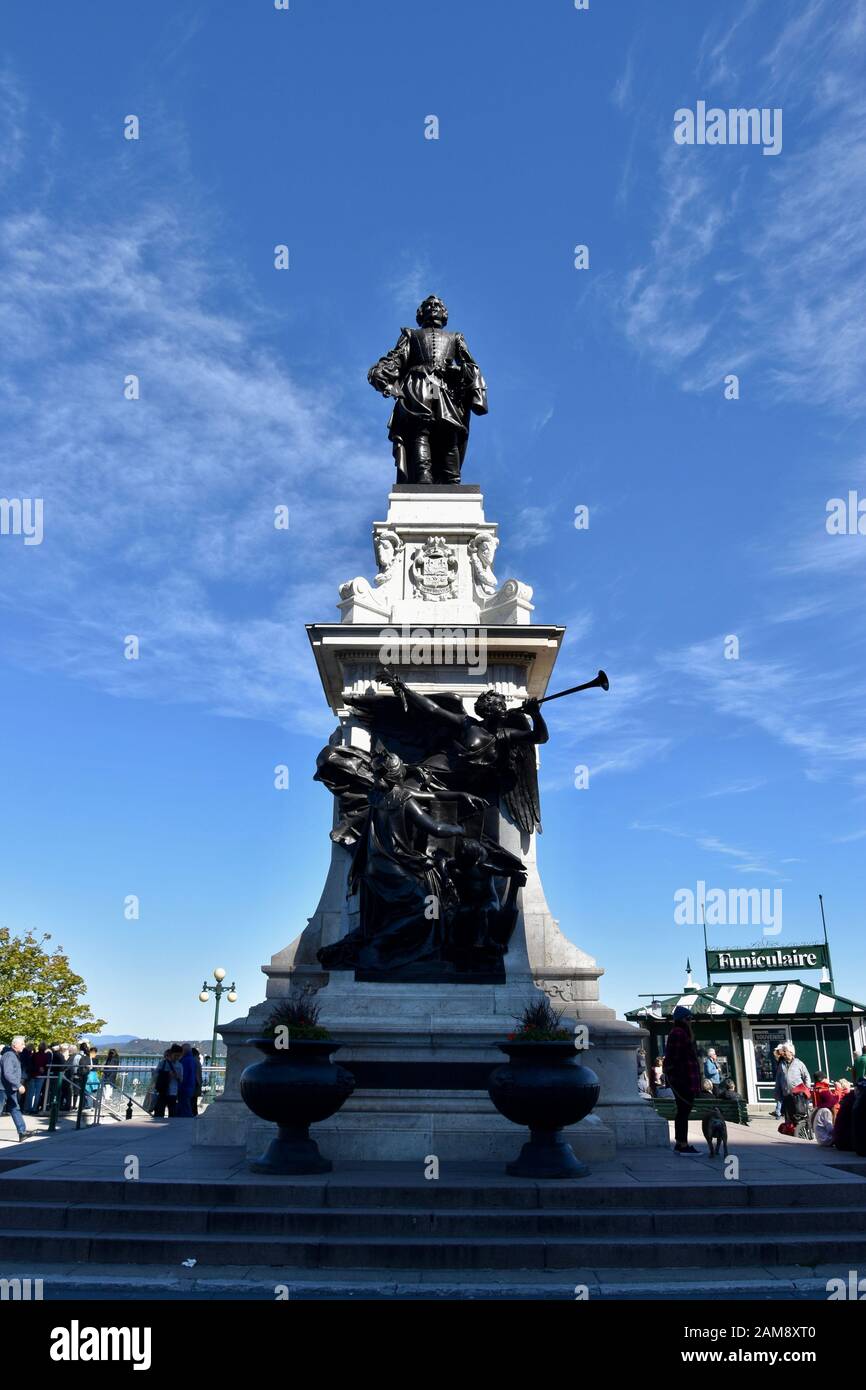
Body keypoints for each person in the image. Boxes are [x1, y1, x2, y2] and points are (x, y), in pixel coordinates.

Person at [663, 1006, 701, 1154]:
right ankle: (682, 1144)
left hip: (683, 1077)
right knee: (684, 1111)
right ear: (683, 1019)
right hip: (683, 1078)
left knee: (683, 1110)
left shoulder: (680, 1032)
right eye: (689, 1018)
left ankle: (681, 1142)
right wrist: (678, 1077)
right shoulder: (679, 1033)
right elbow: (677, 1057)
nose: (691, 1021)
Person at [1, 1036, 33, 1142]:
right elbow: (8, 1073)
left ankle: (22, 1132)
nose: (24, 1046)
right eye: (22, 1044)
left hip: (9, 1088)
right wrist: (18, 1085)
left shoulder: (13, 1055)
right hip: (3, 1088)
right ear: (15, 1045)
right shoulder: (9, 1055)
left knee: (15, 1109)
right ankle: (22, 1131)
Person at [774, 1043, 812, 1127]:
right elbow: (778, 1079)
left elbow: (807, 1076)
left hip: (798, 1096)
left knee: (799, 1116)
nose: (783, 1052)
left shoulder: (799, 1063)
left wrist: (807, 1089)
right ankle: (790, 1134)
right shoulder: (781, 1065)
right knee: (788, 1119)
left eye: (785, 1050)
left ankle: (801, 1132)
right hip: (786, 1095)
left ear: (791, 1052)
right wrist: (777, 1093)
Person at [152, 1046, 183, 1118]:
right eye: (175, 1055)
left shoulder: (180, 1065)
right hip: (162, 1091)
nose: (177, 1058)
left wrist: (176, 1076)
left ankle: (171, 1127)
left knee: (172, 1113)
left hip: (173, 1092)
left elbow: (181, 1080)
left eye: (179, 1056)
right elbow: (155, 1075)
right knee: (159, 1113)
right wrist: (167, 1074)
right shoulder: (163, 1063)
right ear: (171, 1054)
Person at [25, 1042, 52, 1114]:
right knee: (37, 1093)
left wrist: (37, 1068)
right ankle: (34, 1108)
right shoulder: (47, 1056)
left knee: (30, 1093)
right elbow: (48, 1065)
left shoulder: (34, 1055)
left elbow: (30, 1065)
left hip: (33, 1075)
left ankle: (28, 1108)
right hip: (41, 1075)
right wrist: (42, 1069)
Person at [178, 1044, 197, 1118]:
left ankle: (188, 1120)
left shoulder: (185, 1060)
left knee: (185, 1106)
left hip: (185, 1087)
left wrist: (180, 1085)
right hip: (191, 1086)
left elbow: (184, 1075)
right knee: (186, 1105)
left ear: (184, 1051)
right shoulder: (192, 1059)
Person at [190, 1048, 203, 1116]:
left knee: (192, 1102)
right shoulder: (198, 1062)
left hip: (194, 1084)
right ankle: (194, 1114)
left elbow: (195, 1074)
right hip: (197, 1084)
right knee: (194, 1102)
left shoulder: (193, 1061)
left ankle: (193, 1114)